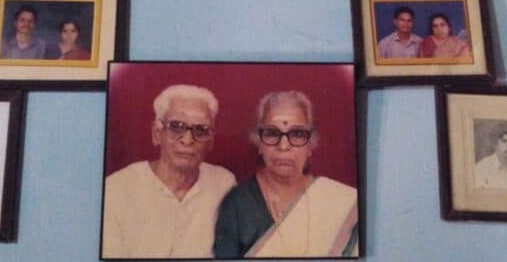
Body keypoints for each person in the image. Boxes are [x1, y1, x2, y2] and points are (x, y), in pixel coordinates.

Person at [214, 91, 358, 258]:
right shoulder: (236, 204)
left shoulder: (338, 200)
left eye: (297, 134)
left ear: (310, 145)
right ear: (259, 143)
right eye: (272, 133)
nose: (283, 146)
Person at [102, 85, 236, 259]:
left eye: (201, 130)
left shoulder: (223, 184)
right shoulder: (117, 190)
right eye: (176, 127)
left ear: (211, 141)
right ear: (157, 134)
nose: (187, 140)